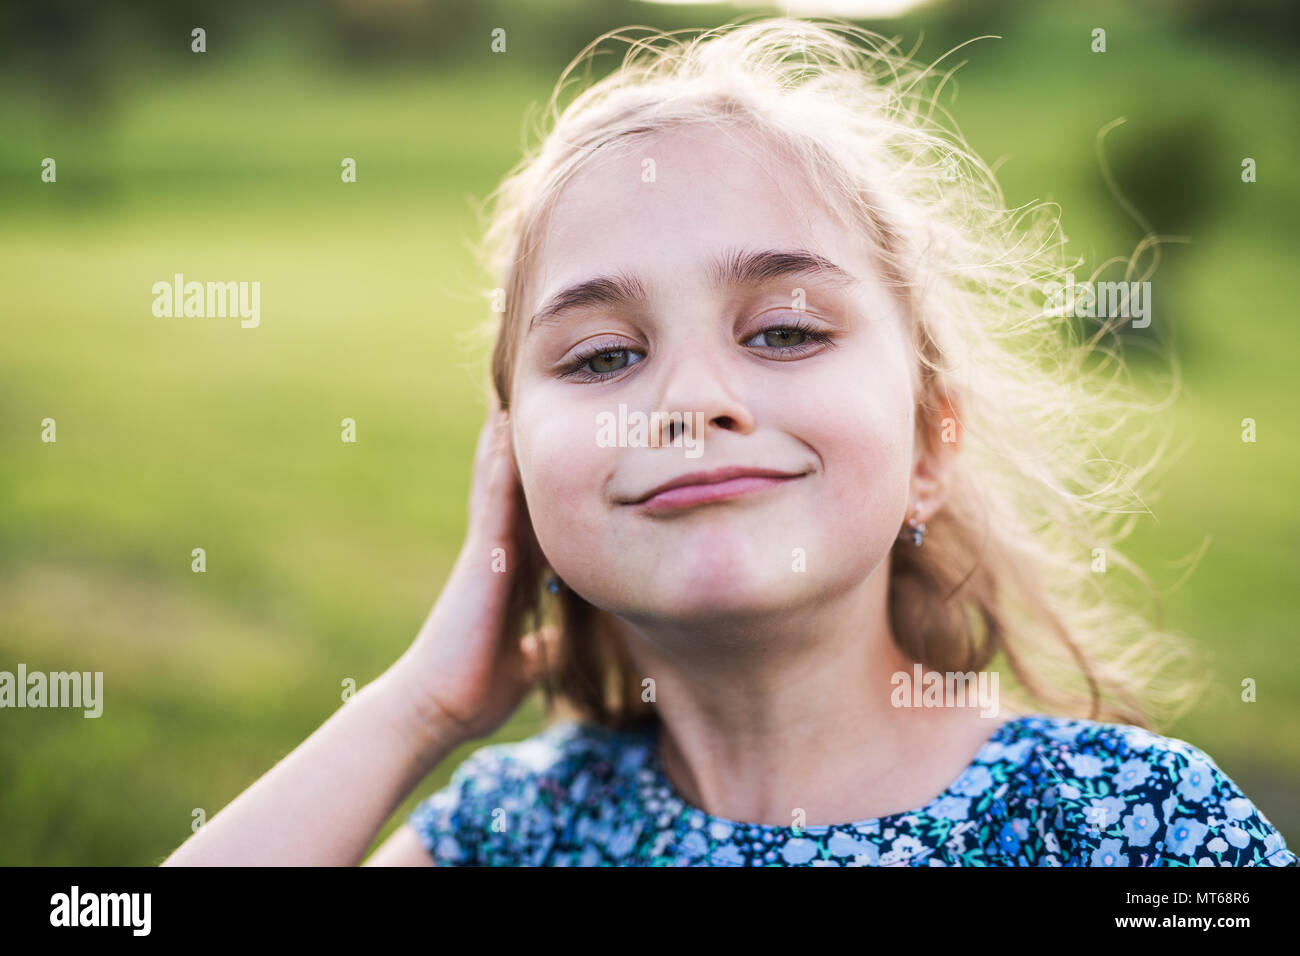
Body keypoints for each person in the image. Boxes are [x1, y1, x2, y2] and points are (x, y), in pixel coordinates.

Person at [163, 18, 1296, 867]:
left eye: (786, 330)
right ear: (511, 472)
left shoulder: (1123, 823)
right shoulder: (509, 833)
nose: (690, 400)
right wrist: (422, 707)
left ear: (930, 444)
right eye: (603, 356)